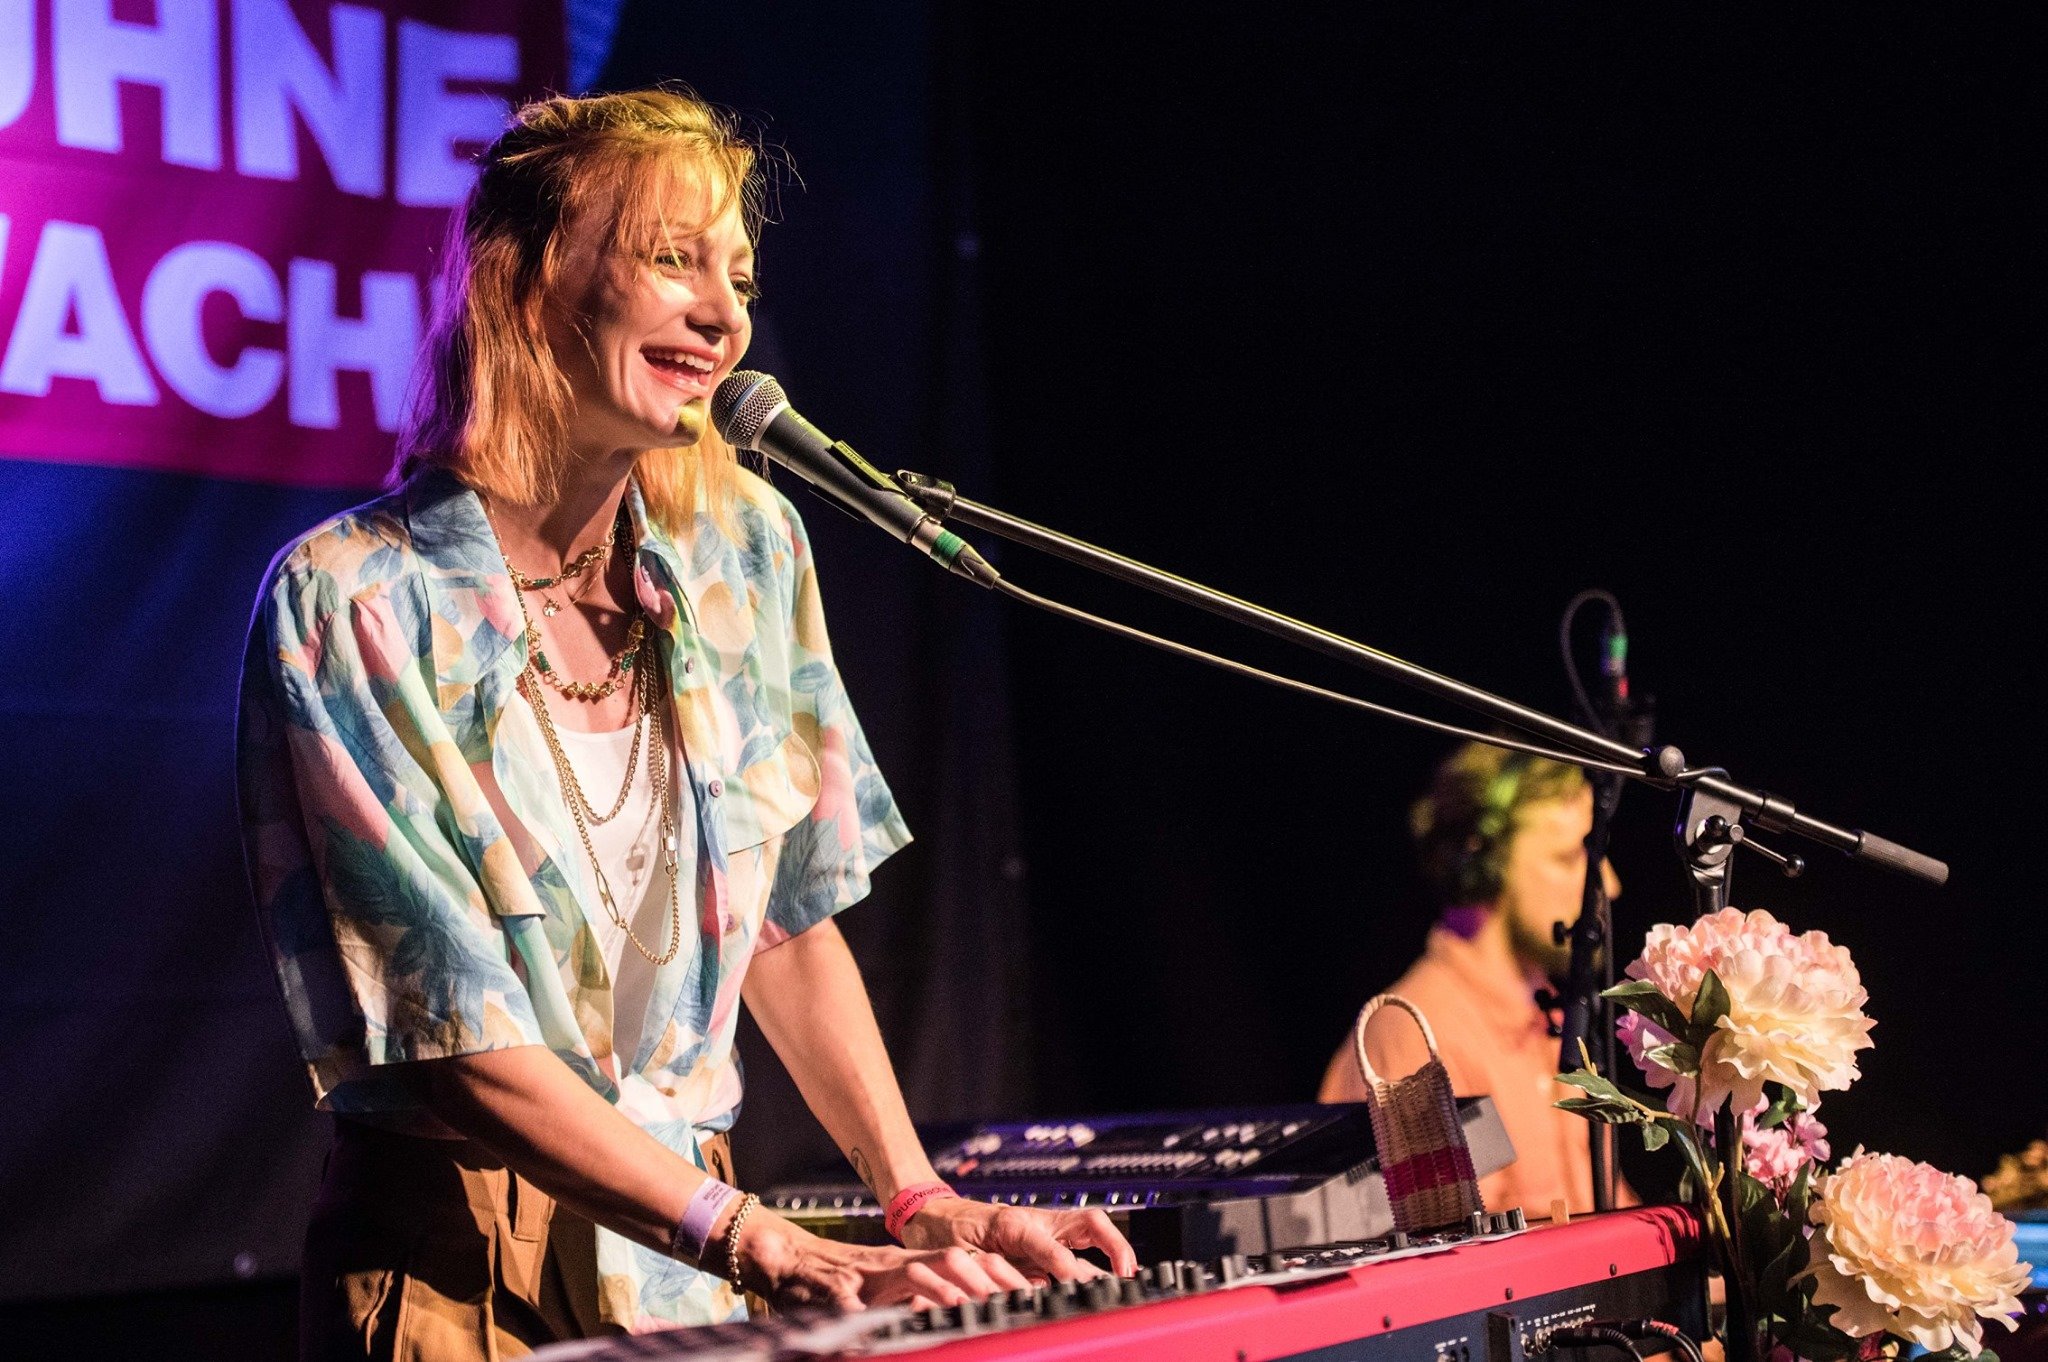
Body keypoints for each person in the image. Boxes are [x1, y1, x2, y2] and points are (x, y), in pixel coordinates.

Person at [236, 88, 1134, 1359]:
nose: (723, 317)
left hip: (699, 1262)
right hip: (461, 1267)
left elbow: (781, 918)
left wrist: (915, 1198)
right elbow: (451, 1033)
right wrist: (752, 1236)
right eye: (672, 261)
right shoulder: (351, 600)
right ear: (528, 278)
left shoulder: (745, 553)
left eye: (737, 276)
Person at [1317, 742, 1628, 1217]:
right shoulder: (1415, 1036)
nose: (1606, 885)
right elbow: (1452, 1271)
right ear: (1483, 864)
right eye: (1570, 858)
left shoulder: (1552, 1017)